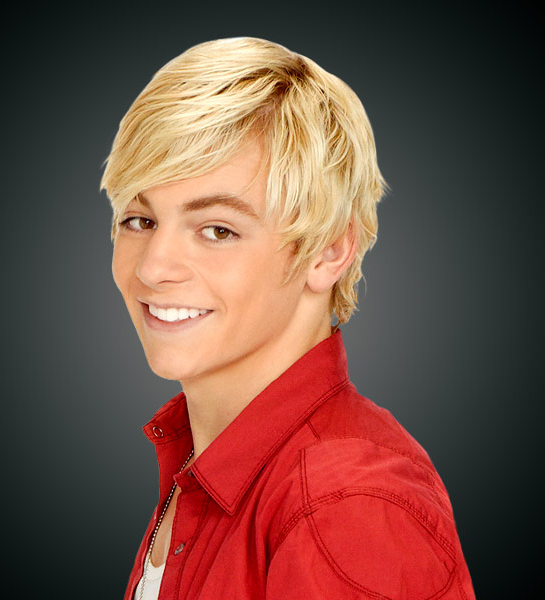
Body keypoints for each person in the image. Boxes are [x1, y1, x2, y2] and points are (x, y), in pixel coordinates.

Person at [100, 37, 475, 600]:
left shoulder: (346, 506)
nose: (153, 268)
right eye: (139, 220)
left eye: (218, 230)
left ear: (328, 251)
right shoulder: (206, 461)